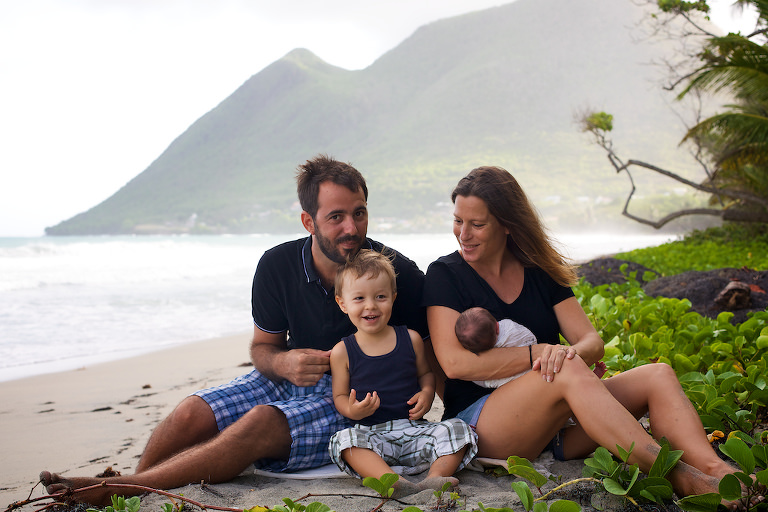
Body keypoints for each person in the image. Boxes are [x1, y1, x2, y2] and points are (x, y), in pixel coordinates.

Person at [40, 155, 428, 505]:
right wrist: (285, 362)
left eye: (359, 213)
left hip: (356, 397)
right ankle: (131, 488)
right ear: (308, 221)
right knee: (192, 411)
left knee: (260, 421)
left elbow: (432, 350)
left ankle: (117, 489)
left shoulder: (394, 272)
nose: (351, 227)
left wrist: (447, 409)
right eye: (336, 217)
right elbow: (262, 349)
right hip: (288, 376)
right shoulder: (277, 265)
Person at [422, 165, 747, 503]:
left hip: (556, 424)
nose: (464, 234)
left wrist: (571, 357)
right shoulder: (445, 274)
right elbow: (455, 364)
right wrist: (543, 354)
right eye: (458, 221)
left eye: (477, 224)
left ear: (507, 225)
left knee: (658, 375)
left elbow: (591, 342)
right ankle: (682, 478)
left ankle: (716, 469)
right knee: (565, 367)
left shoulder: (538, 271)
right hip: (480, 427)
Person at [328, 250, 476, 496]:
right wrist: (353, 410)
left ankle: (436, 476)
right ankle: (391, 479)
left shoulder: (411, 339)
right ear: (342, 303)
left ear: (393, 298)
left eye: (380, 296)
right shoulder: (342, 351)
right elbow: (339, 396)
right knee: (345, 440)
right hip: (372, 434)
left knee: (459, 428)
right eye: (359, 298)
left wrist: (427, 393)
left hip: (414, 430)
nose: (371, 305)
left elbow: (426, 374)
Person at [455, 306, 605, 388]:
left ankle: (590, 380)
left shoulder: (479, 364)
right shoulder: (507, 328)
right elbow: (528, 337)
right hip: (538, 373)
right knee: (560, 368)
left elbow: (483, 381)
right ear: (497, 326)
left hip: (519, 388)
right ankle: (591, 378)